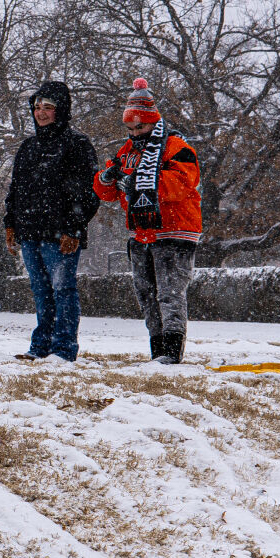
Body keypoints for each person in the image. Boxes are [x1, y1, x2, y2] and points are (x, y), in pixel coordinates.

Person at [93, 78, 203, 365]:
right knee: (147, 295)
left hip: (175, 231)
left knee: (170, 294)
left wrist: (141, 182)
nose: (135, 133)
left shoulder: (177, 147)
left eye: (140, 127)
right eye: (130, 129)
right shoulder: (126, 151)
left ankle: (172, 352)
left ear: (153, 121)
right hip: (141, 233)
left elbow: (183, 183)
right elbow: (106, 193)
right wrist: (106, 179)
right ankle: (157, 351)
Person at [4, 81, 101, 363]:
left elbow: (90, 191)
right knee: (41, 291)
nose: (41, 112)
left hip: (61, 234)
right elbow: (15, 189)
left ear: (61, 110)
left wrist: (74, 228)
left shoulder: (77, 144)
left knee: (63, 290)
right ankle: (41, 346)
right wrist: (11, 224)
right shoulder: (28, 147)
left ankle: (63, 349)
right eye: (37, 107)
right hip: (30, 232)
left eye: (48, 107)